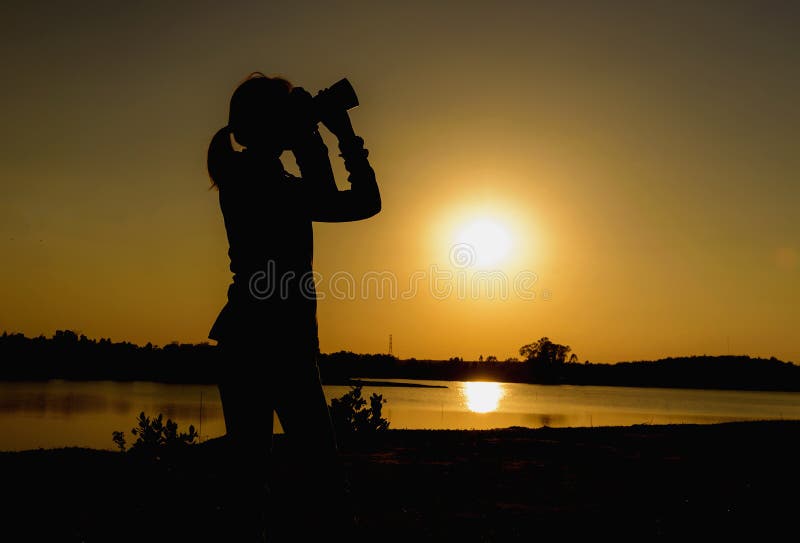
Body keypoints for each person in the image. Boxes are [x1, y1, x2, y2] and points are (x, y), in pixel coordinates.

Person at [206, 73, 381, 541]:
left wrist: (343, 138)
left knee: (267, 476)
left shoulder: (267, 178)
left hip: (265, 338)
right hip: (269, 341)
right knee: (296, 476)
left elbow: (365, 204)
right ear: (265, 125)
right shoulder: (251, 178)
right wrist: (315, 134)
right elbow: (333, 196)